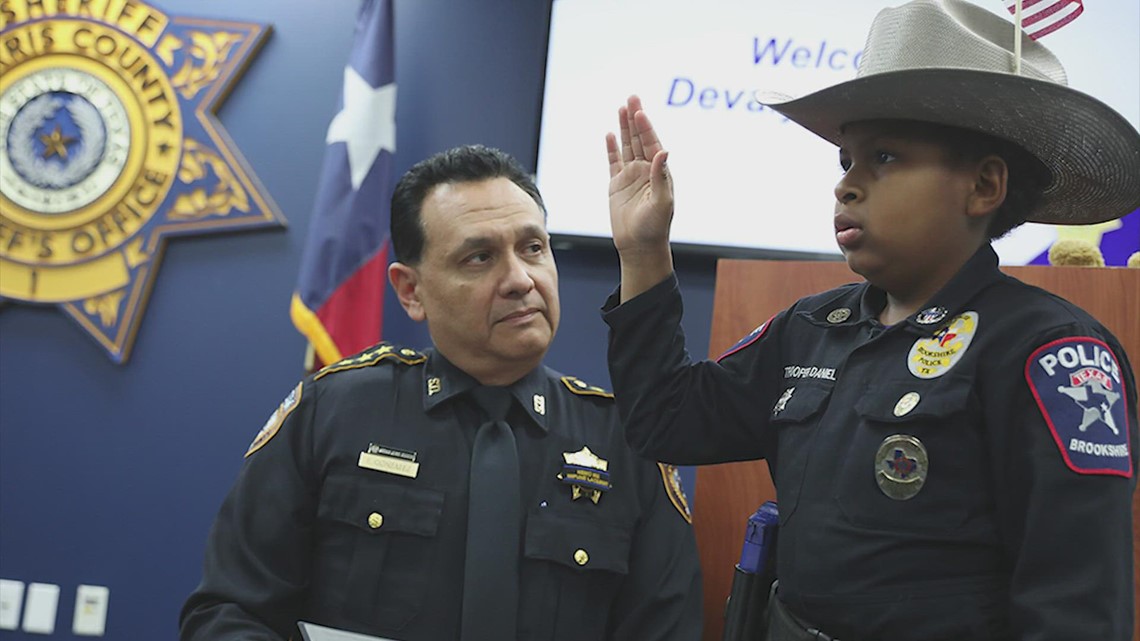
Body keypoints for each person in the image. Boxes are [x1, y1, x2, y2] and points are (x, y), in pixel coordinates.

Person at [601, 1, 1139, 640]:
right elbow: (666, 419)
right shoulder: (812, 327)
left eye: (883, 157)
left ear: (984, 187)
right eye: (845, 161)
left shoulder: (1049, 352)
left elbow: (1073, 608)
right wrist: (642, 253)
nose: (847, 185)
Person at [180, 145, 702, 641]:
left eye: (533, 248)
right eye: (479, 257)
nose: (520, 279)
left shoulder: (626, 442)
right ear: (411, 291)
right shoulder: (333, 412)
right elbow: (229, 612)